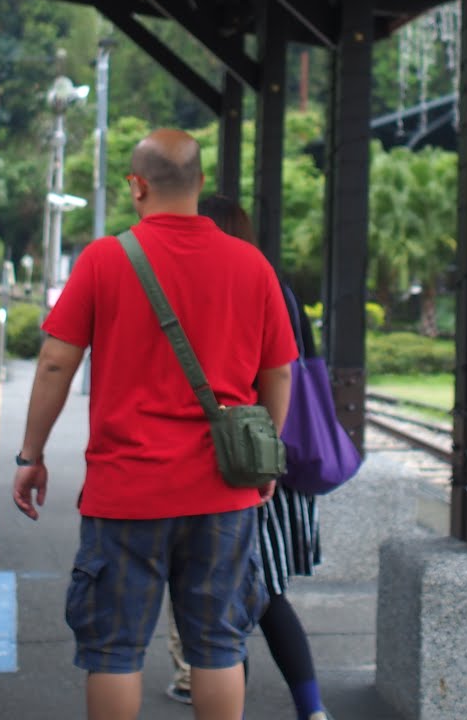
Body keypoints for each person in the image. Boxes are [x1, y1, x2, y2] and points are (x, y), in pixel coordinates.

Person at [11, 129, 296, 720]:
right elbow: (280, 374)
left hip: (127, 492)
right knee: (219, 644)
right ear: (198, 185)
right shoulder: (252, 266)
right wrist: (264, 459)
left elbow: (56, 361)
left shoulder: (105, 259)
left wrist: (30, 455)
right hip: (223, 489)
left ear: (137, 186)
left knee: (113, 650)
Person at [169, 195, 329, 720]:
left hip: (255, 465)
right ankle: (300, 705)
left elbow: (270, 375)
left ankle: (299, 705)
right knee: (253, 591)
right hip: (274, 458)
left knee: (252, 594)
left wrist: (265, 459)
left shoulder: (240, 287)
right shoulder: (276, 286)